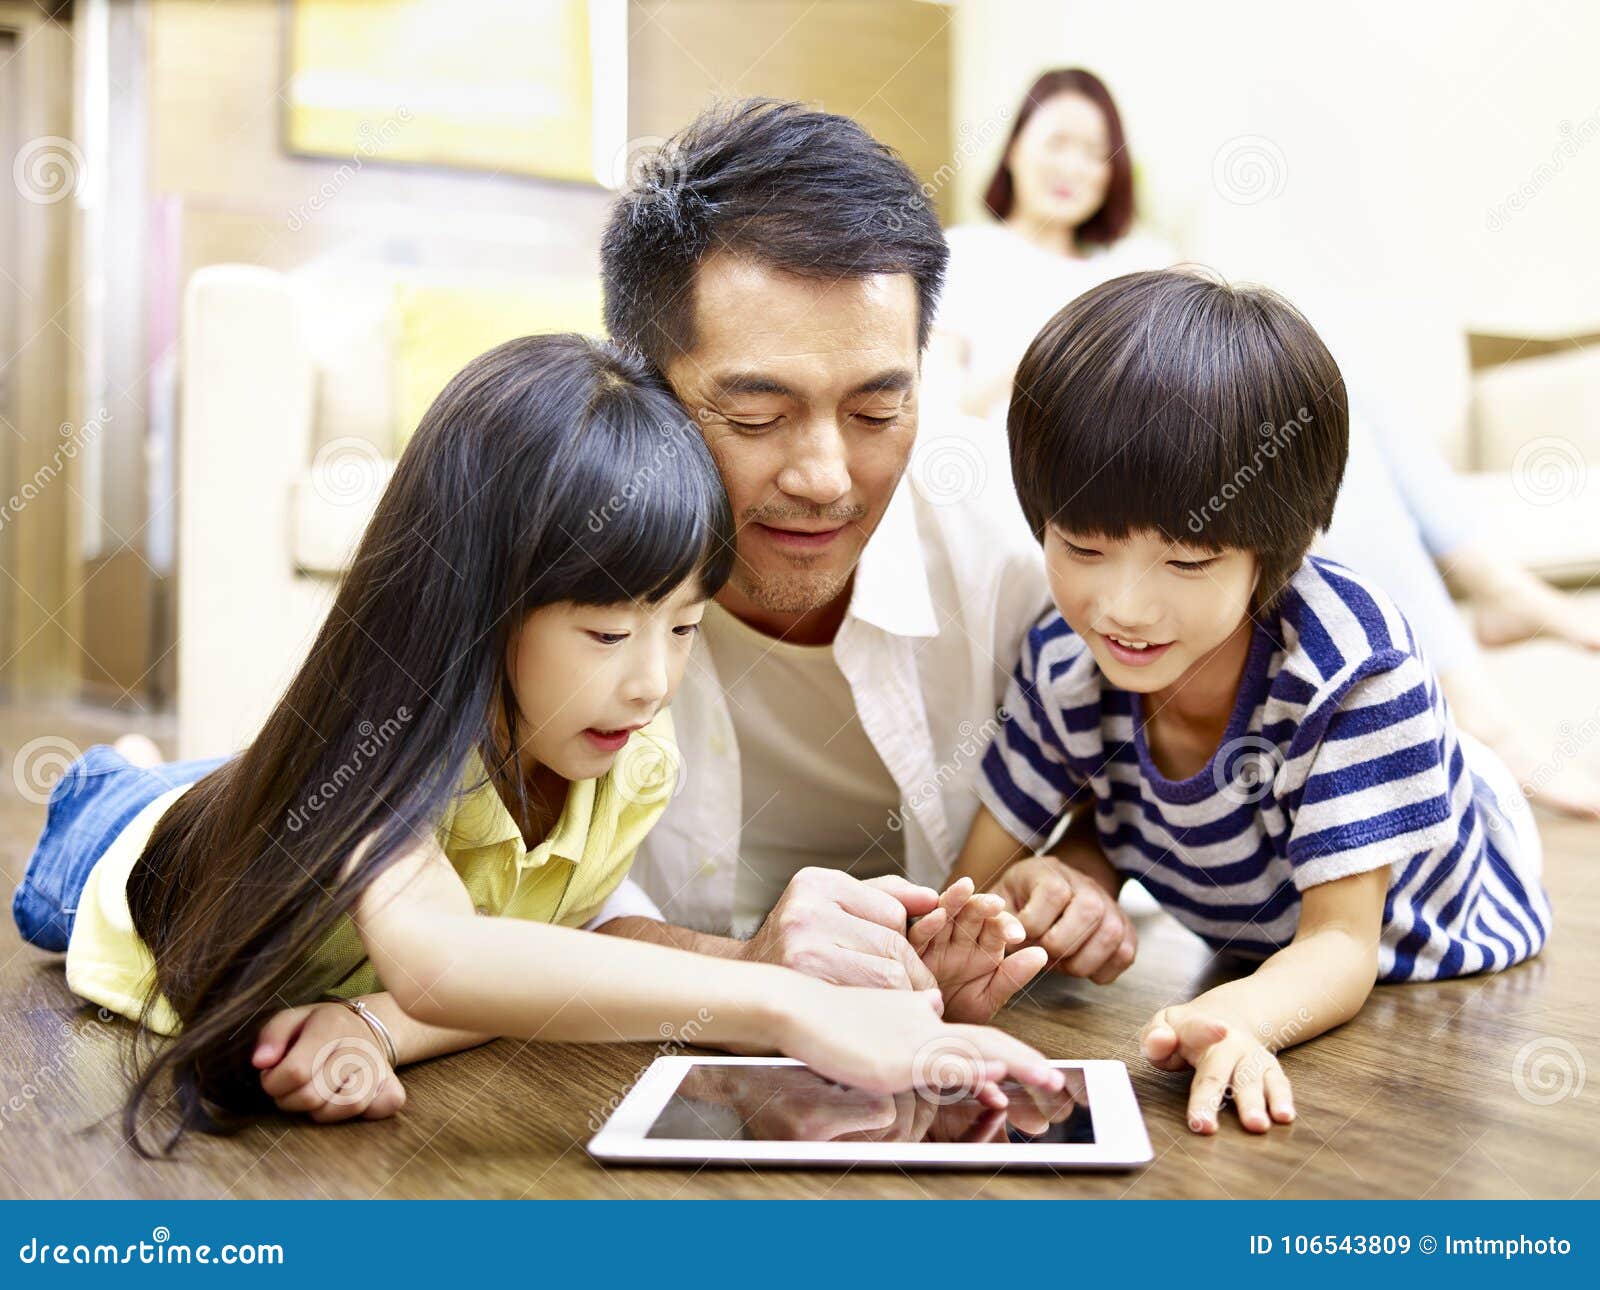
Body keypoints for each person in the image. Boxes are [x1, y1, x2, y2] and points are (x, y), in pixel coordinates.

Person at [11, 335, 1062, 1153]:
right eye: (606, 632)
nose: (653, 681)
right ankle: (125, 781)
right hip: (146, 857)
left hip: (332, 900)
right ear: (478, 604)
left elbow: (526, 957)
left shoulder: (627, 762)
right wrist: (781, 1004)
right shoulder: (378, 758)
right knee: (86, 839)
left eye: (686, 627)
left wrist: (370, 1027)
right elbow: (444, 956)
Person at [948, 269, 1552, 1134]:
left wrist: (1245, 1016)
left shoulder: (1353, 669)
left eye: (1186, 563)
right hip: (1252, 901)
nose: (1123, 608)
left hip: (1431, 911)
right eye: (1082, 547)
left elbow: (1344, 947)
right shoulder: (1066, 655)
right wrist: (1012, 899)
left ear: (1282, 547)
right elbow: (969, 879)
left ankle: (1475, 761)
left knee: (1449, 800)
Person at [928, 66, 1600, 818]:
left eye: (1094, 152)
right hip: (1063, 452)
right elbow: (948, 406)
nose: (1073, 166)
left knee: (1341, 382)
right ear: (1013, 147)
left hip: (1178, 453)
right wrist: (1067, 336)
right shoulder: (968, 254)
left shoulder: (1135, 253)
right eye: (1057, 142)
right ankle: (1495, 682)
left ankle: (1504, 594)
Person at [589, 98, 1079, 1016]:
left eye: (876, 412)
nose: (824, 477)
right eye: (758, 417)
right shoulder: (545, 553)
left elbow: (1130, 747)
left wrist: (1078, 867)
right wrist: (745, 974)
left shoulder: (1006, 539)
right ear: (643, 389)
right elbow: (494, 901)